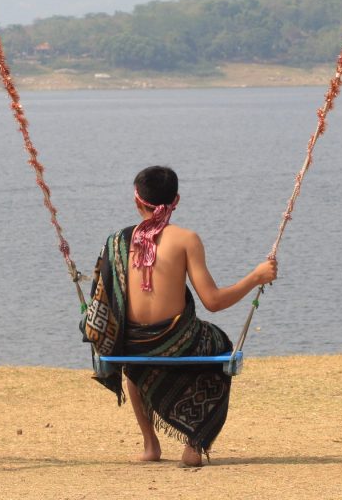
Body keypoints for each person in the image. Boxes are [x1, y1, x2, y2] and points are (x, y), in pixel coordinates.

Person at [82, 165, 278, 467]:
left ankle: (151, 445)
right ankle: (193, 445)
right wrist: (255, 277)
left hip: (130, 344)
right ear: (176, 201)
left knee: (134, 366)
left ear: (138, 202)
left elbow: (104, 296)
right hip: (177, 342)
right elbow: (212, 301)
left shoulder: (116, 242)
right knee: (218, 345)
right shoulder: (187, 240)